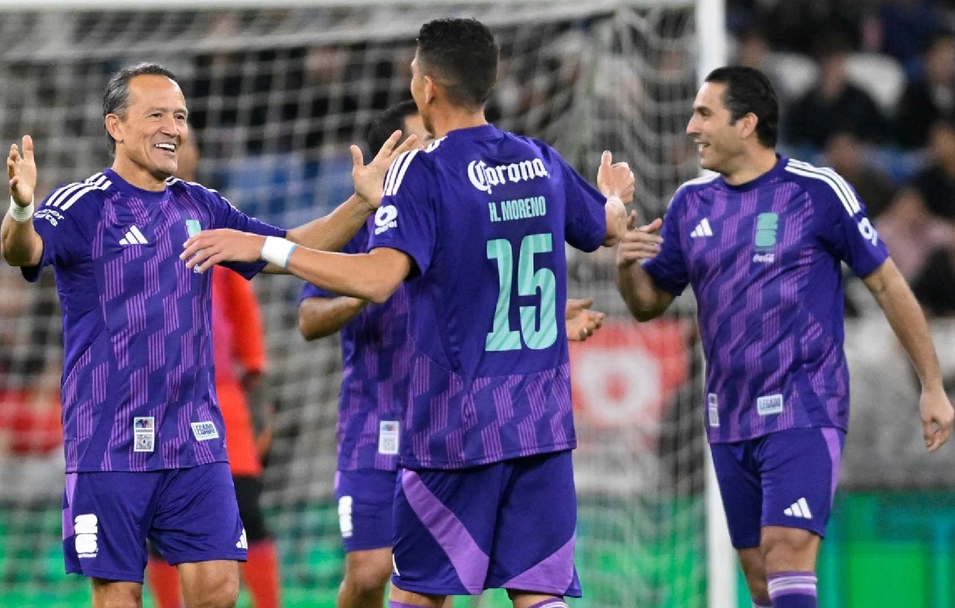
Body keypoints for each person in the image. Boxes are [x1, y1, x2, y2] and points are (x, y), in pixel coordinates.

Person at [181, 18, 653, 608]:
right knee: (539, 595)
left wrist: (268, 247)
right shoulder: (541, 160)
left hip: (458, 428)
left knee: (419, 594)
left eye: (412, 73)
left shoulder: (423, 170)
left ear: (427, 87)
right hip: (540, 424)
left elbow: (379, 280)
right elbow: (610, 227)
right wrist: (615, 201)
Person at [0, 62, 415, 608]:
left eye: (180, 116)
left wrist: (362, 201)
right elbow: (21, 250)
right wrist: (21, 206)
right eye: (156, 115)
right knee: (119, 593)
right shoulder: (84, 204)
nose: (173, 126)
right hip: (109, 438)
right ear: (116, 126)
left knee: (219, 589)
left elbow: (295, 245)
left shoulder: (200, 203)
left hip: (194, 437)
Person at [614, 65, 955, 608]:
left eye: (704, 113)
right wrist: (625, 263)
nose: (690, 127)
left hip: (804, 404)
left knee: (786, 549)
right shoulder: (689, 205)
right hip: (729, 416)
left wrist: (931, 383)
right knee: (760, 581)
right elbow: (649, 305)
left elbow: (888, 285)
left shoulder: (816, 192)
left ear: (746, 123)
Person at [298, 100, 605, 608]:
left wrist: (548, 320)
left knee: (445, 580)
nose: (434, 149)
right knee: (372, 571)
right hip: (377, 426)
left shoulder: (457, 209)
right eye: (421, 141)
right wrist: (366, 287)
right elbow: (309, 320)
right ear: (389, 154)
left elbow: (499, 296)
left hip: (448, 421)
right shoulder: (352, 228)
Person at [146, 131, 280, 608]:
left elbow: (240, 310)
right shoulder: (128, 219)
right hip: (155, 400)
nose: (181, 148)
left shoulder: (211, 218)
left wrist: (257, 381)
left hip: (220, 393)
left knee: (246, 510)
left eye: (188, 140)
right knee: (160, 522)